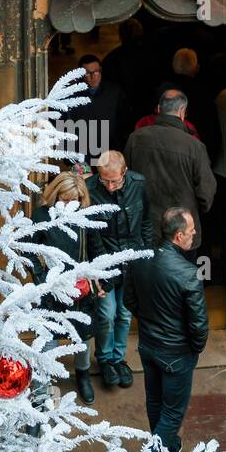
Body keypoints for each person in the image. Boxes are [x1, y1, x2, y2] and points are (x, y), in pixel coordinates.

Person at [123, 206, 208, 452]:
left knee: (155, 402)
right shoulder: (188, 274)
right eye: (191, 232)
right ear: (179, 236)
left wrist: (148, 321)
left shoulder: (141, 261)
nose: (194, 236)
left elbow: (129, 299)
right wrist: (193, 349)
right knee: (171, 413)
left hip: (149, 346)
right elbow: (198, 325)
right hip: (176, 353)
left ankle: (167, 449)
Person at [29, 172, 96, 407]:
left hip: (80, 288)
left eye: (75, 198)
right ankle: (41, 390)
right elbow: (28, 248)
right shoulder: (42, 215)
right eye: (65, 199)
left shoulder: (84, 214)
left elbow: (96, 248)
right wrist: (41, 277)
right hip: (52, 288)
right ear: (56, 195)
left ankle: (83, 375)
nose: (70, 204)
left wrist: (94, 279)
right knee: (49, 338)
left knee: (82, 338)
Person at [87, 151, 152, 390]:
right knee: (106, 314)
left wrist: (146, 255)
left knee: (124, 315)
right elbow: (90, 235)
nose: (111, 186)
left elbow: (145, 222)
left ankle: (118, 358)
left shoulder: (138, 184)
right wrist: (98, 269)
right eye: (106, 181)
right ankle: (104, 359)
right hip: (105, 263)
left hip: (133, 260)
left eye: (115, 180)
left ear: (124, 172)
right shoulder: (91, 190)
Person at [125, 89, 216, 249]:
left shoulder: (135, 139)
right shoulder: (195, 146)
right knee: (181, 271)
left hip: (145, 226)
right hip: (181, 231)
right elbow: (206, 192)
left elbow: (126, 180)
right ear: (182, 112)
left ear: (159, 109)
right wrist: (192, 211)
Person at [69, 53, 129, 163]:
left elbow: (123, 122)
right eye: (88, 73)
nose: (93, 77)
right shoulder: (72, 95)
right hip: (82, 156)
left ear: (100, 70)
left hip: (108, 153)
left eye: (96, 72)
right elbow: (66, 125)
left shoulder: (115, 92)